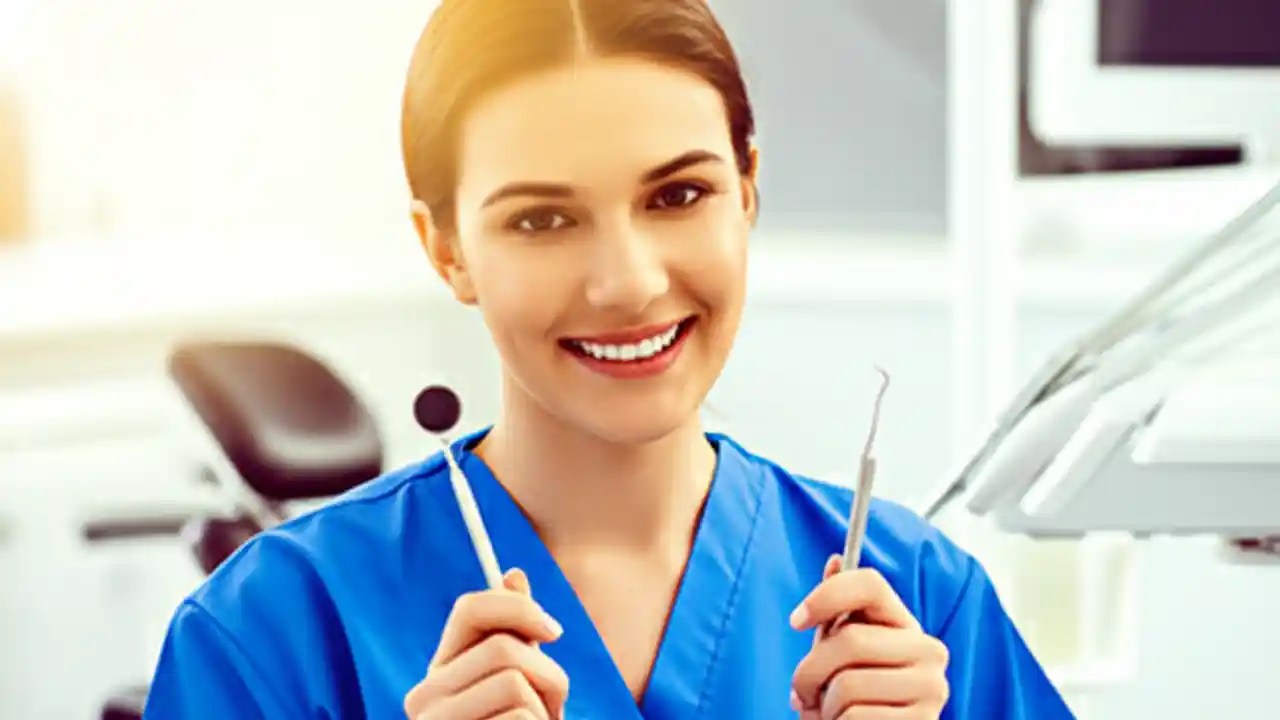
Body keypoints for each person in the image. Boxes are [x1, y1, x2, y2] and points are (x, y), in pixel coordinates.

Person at [143, 1, 1076, 718]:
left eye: (678, 195)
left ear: (747, 188)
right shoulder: (269, 637)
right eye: (541, 219)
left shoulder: (922, 605)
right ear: (448, 252)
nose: (627, 283)